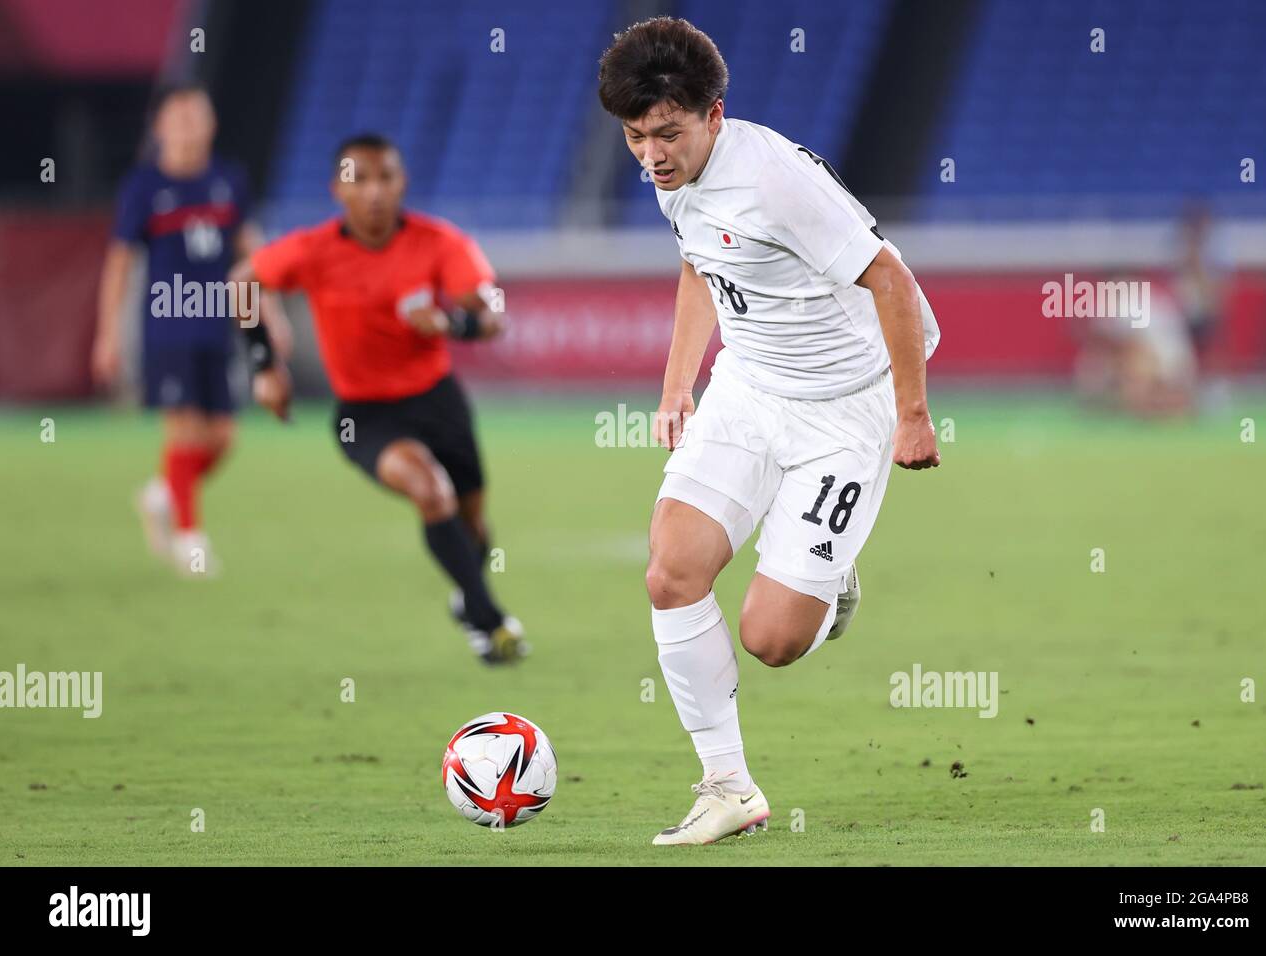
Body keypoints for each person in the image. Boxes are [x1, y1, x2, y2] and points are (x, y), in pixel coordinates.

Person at [597, 18, 942, 845]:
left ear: (716, 114)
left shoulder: (776, 182)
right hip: (749, 388)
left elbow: (891, 280)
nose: (652, 154)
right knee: (672, 570)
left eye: (668, 134)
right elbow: (699, 260)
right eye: (637, 136)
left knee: (773, 639)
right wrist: (679, 382)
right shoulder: (670, 169)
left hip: (844, 405)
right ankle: (728, 786)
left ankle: (830, 585)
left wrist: (912, 415)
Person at [228, 134, 524, 664]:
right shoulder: (313, 249)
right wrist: (264, 364)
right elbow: (243, 281)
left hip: (438, 402)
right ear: (337, 189)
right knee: (431, 491)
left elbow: (494, 312)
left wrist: (450, 322)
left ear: (401, 182)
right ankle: (490, 622)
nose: (373, 191)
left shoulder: (438, 242)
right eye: (358, 179)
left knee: (473, 525)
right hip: (365, 415)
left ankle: (468, 597)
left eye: (384, 177)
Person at [93, 81, 290, 576]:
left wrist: (272, 314)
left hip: (216, 324)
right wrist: (108, 334)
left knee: (223, 437)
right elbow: (118, 264)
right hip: (166, 325)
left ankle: (163, 493)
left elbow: (250, 255)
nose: (186, 126)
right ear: (159, 127)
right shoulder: (143, 187)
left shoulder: (229, 180)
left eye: (195, 115)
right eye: (176, 117)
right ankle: (190, 542)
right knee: (183, 429)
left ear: (211, 123)